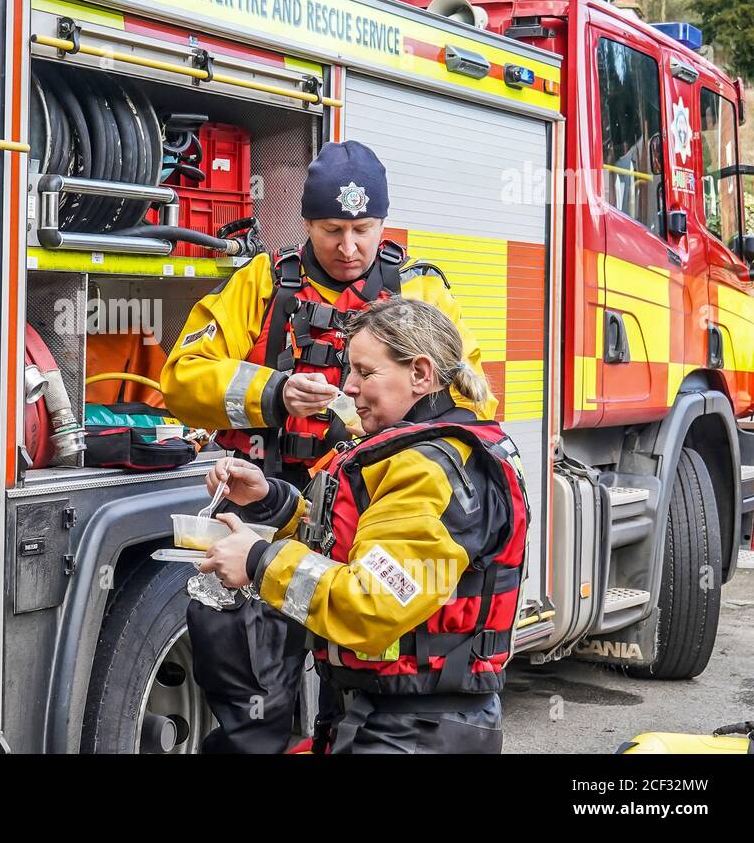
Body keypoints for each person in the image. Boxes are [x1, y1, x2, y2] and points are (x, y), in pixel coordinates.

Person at [160, 139, 496, 754]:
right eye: (332, 229)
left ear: (383, 225)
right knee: (251, 718)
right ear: (306, 224)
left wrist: (388, 440)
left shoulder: (421, 294)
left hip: (374, 524)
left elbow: (469, 404)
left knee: (362, 694)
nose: (349, 247)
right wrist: (274, 390)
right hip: (276, 519)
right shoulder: (263, 283)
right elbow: (181, 377)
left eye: (363, 229)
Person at [199, 298, 529, 753]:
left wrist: (258, 562)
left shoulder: (429, 470)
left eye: (365, 372)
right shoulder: (411, 454)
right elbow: (352, 541)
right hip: (380, 719)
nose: (348, 387)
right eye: (348, 370)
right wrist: (271, 501)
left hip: (414, 731)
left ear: (420, 373)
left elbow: (373, 603)